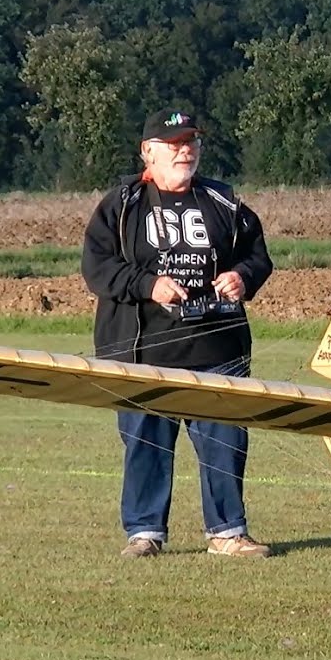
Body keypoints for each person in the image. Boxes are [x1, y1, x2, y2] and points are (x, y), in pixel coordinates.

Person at [81, 108, 275, 559]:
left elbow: (257, 255)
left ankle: (228, 533)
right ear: (148, 152)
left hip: (216, 348)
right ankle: (145, 533)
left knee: (225, 441)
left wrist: (242, 277)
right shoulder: (121, 204)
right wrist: (148, 285)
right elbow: (97, 267)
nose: (184, 150)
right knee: (145, 443)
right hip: (141, 353)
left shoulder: (225, 202)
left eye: (191, 142)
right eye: (173, 144)